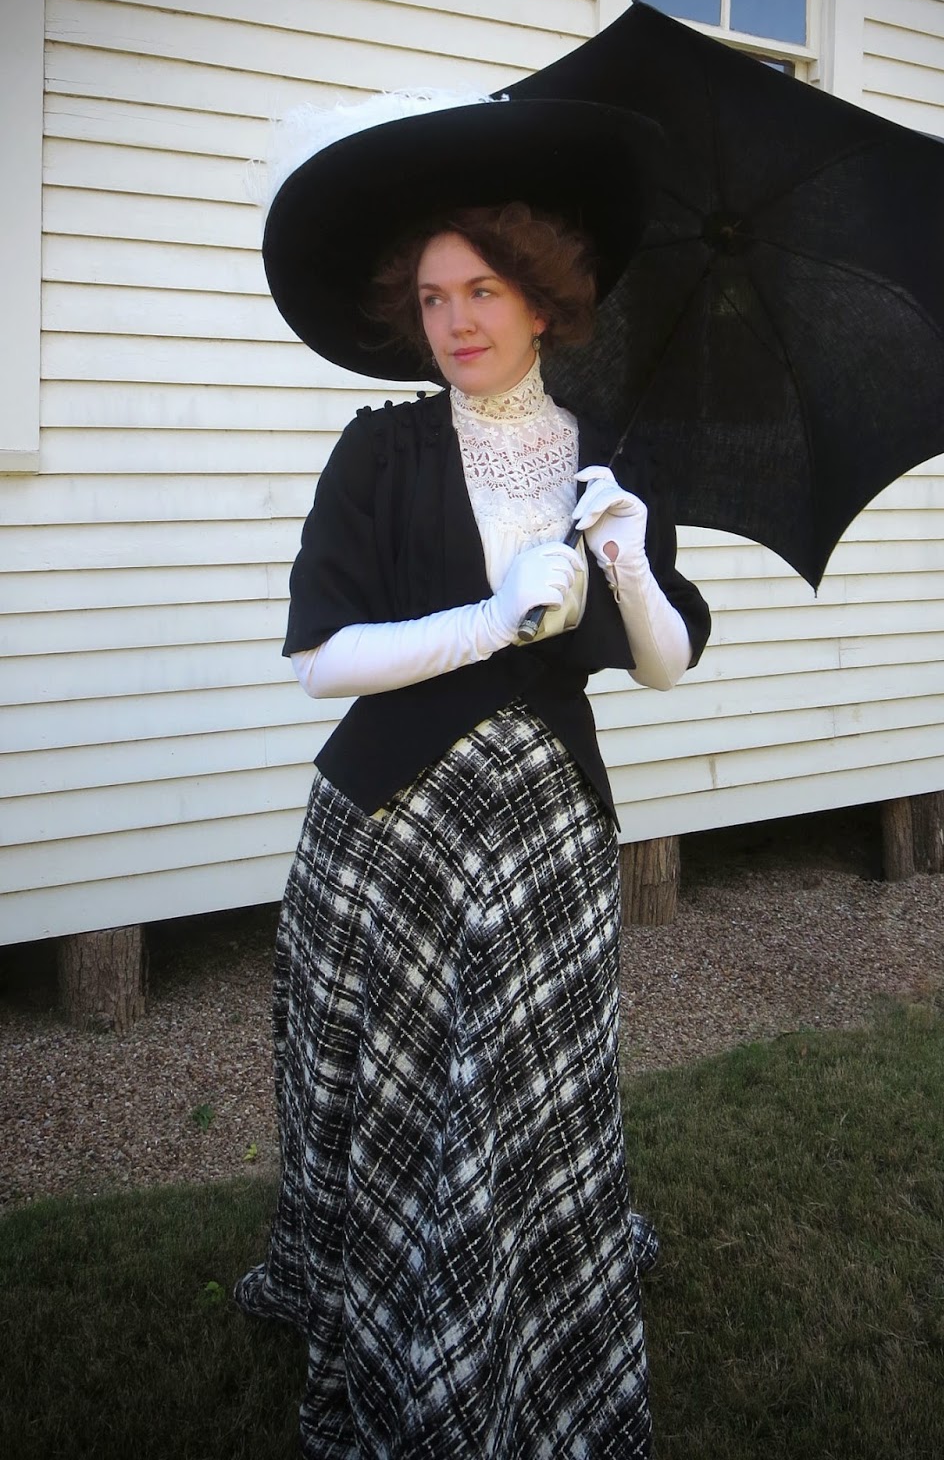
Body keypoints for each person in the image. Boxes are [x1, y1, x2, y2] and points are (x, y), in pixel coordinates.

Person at [235, 91, 712, 1459]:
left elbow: (666, 664)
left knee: (527, 1108)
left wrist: (619, 554)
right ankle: (393, 1351)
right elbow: (323, 659)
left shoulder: (602, 465)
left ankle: (530, 1346)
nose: (455, 320)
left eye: (484, 288)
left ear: (545, 299)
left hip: (547, 843)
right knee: (392, 1114)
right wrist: (498, 616)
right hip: (390, 841)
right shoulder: (379, 452)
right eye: (433, 296)